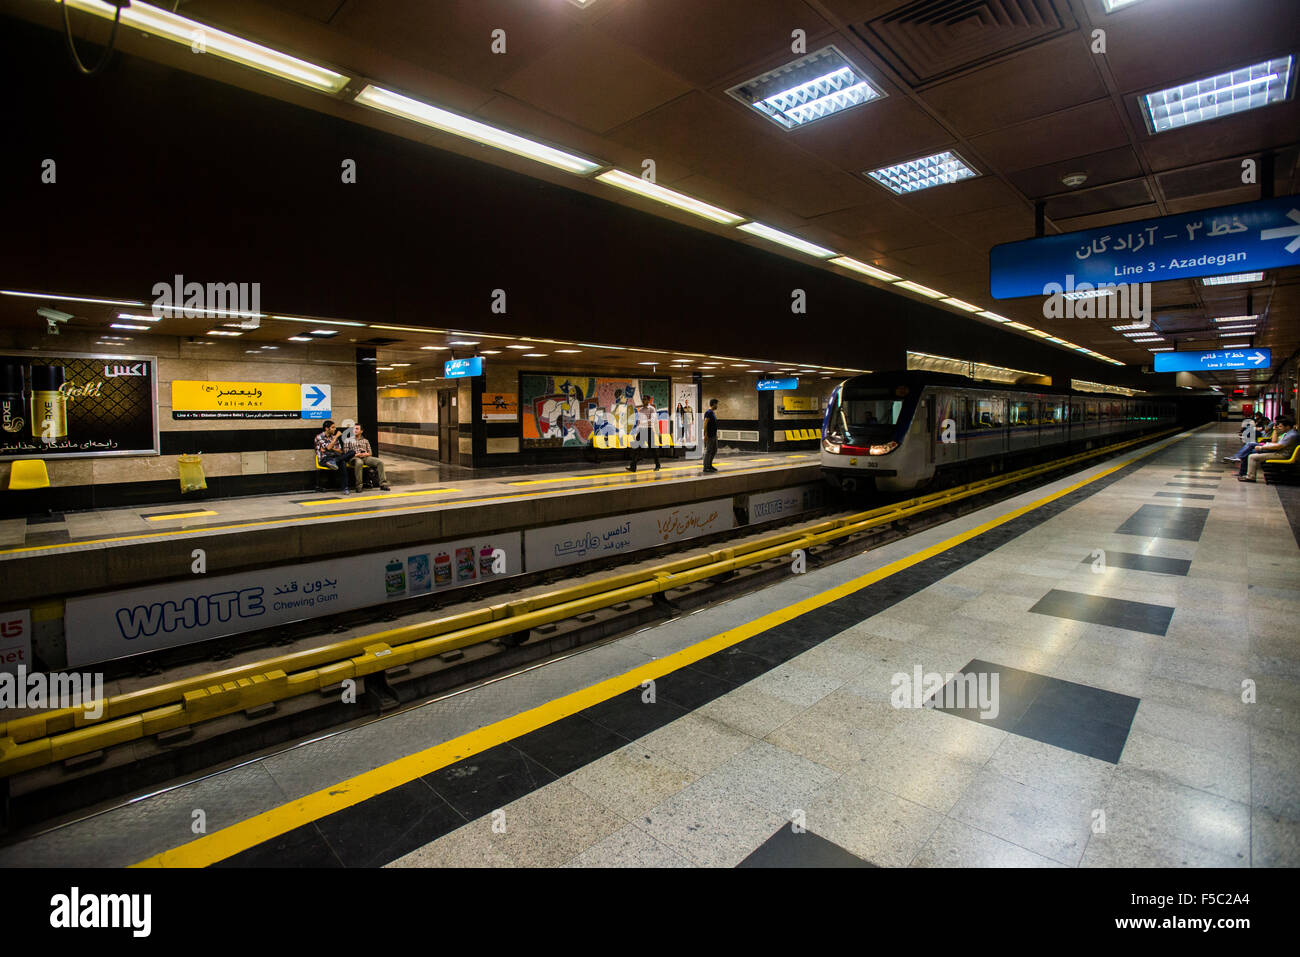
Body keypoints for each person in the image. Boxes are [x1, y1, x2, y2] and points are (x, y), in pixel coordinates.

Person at [1239, 417, 1298, 482]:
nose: (1279, 428)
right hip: (1281, 452)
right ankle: (1247, 473)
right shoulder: (1289, 433)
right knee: (1252, 450)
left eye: (1281, 426)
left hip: (1282, 454)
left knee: (1252, 457)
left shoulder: (1291, 435)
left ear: (1287, 426)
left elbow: (1278, 446)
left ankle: (1250, 477)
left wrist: (1262, 447)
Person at [314, 420, 357, 493]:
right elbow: (328, 447)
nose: (335, 429)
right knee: (342, 462)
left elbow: (340, 451)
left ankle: (334, 462)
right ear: (327, 429)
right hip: (324, 459)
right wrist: (336, 437)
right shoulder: (319, 437)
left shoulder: (333, 438)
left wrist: (332, 448)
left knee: (351, 452)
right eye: (333, 427)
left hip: (334, 457)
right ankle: (345, 487)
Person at [345, 424, 390, 492]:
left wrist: (365, 454)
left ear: (361, 431)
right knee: (359, 462)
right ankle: (359, 486)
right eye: (354, 429)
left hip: (365, 457)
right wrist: (357, 454)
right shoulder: (348, 440)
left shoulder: (365, 441)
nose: (355, 430)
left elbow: (370, 453)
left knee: (380, 462)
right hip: (354, 458)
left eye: (357, 429)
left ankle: (383, 484)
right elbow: (346, 452)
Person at [626, 396, 661, 472]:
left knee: (653, 449)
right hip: (642, 430)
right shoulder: (641, 410)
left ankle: (657, 465)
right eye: (643, 399)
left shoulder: (652, 409)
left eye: (645, 399)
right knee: (636, 448)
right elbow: (640, 421)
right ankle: (633, 467)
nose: (643, 401)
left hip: (649, 430)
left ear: (648, 400)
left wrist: (644, 421)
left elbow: (652, 420)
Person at [702, 398, 719, 474]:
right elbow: (705, 423)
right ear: (714, 404)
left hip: (714, 435)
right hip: (709, 435)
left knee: (714, 450)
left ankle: (710, 465)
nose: (717, 406)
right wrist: (705, 434)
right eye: (716, 404)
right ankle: (706, 467)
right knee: (708, 451)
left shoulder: (712, 413)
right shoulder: (708, 412)